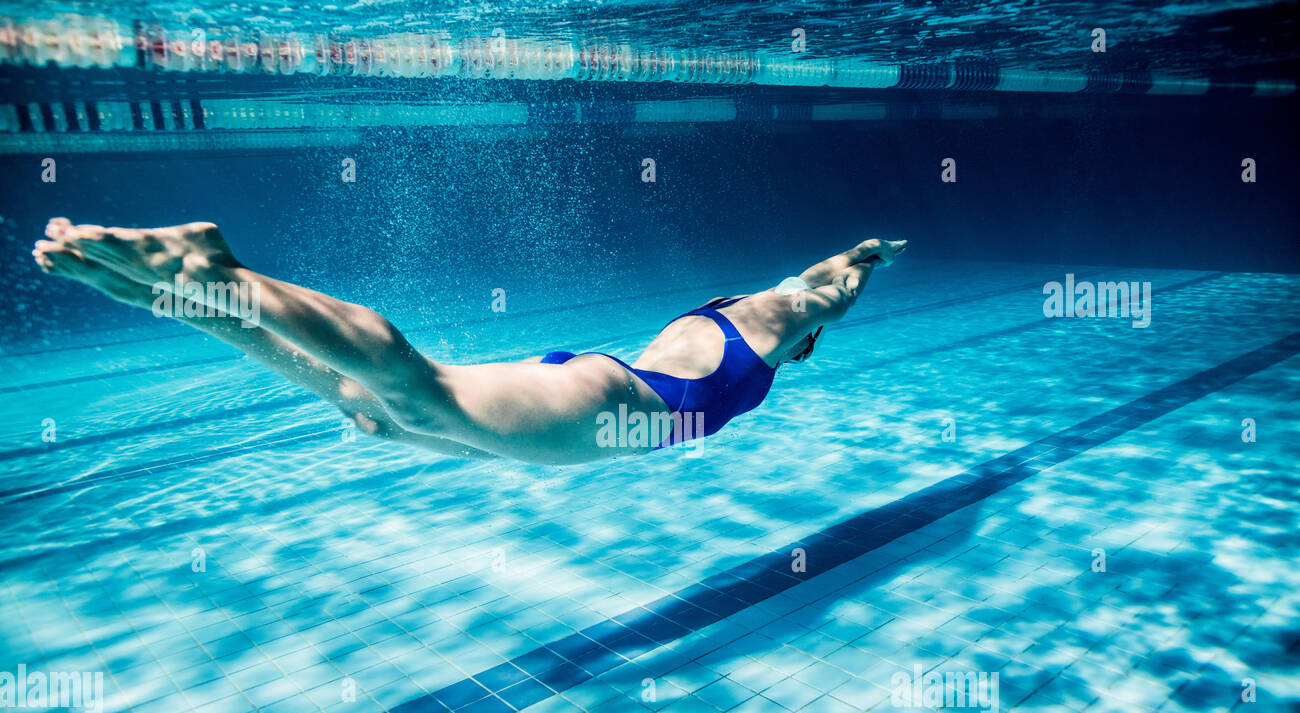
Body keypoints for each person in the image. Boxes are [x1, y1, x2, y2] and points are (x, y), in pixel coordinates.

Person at [33, 219, 905, 464]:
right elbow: (821, 295)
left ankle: (171, 291)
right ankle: (223, 269)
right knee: (420, 389)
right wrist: (865, 268)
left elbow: (811, 279)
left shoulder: (744, 312)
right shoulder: (775, 327)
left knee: (368, 407)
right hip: (612, 411)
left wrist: (860, 253)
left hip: (598, 393)